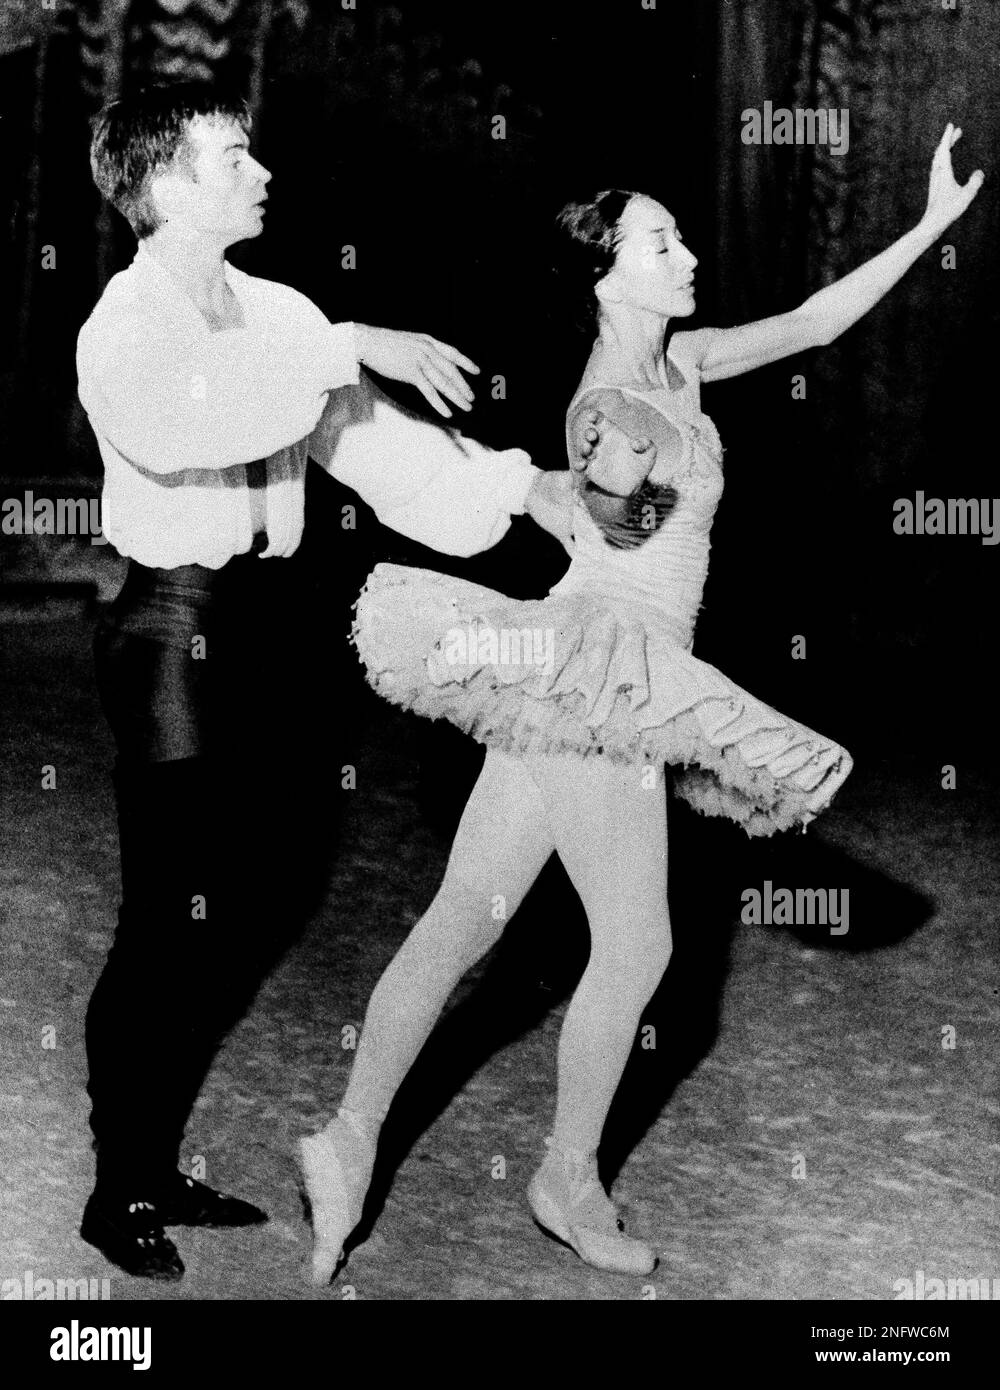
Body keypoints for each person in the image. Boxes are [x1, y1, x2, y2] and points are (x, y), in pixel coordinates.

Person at [299, 125, 983, 1280]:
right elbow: (609, 502)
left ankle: (349, 1137)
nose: (684, 253)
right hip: (606, 670)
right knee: (638, 941)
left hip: (590, 667)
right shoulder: (609, 397)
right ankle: (565, 1177)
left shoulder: (686, 361)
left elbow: (816, 322)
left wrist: (926, 224)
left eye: (677, 236)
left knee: (468, 908)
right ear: (608, 270)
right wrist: (608, 492)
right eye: (658, 242)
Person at [76, 82, 573, 1281]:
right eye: (233, 156)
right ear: (163, 186)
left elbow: (377, 442)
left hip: (272, 620)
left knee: (241, 899)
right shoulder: (122, 323)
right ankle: (118, 1183)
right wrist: (348, 345)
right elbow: (186, 421)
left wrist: (525, 488)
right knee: (166, 916)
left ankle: (151, 1159)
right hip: (172, 623)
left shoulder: (283, 310)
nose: (261, 172)